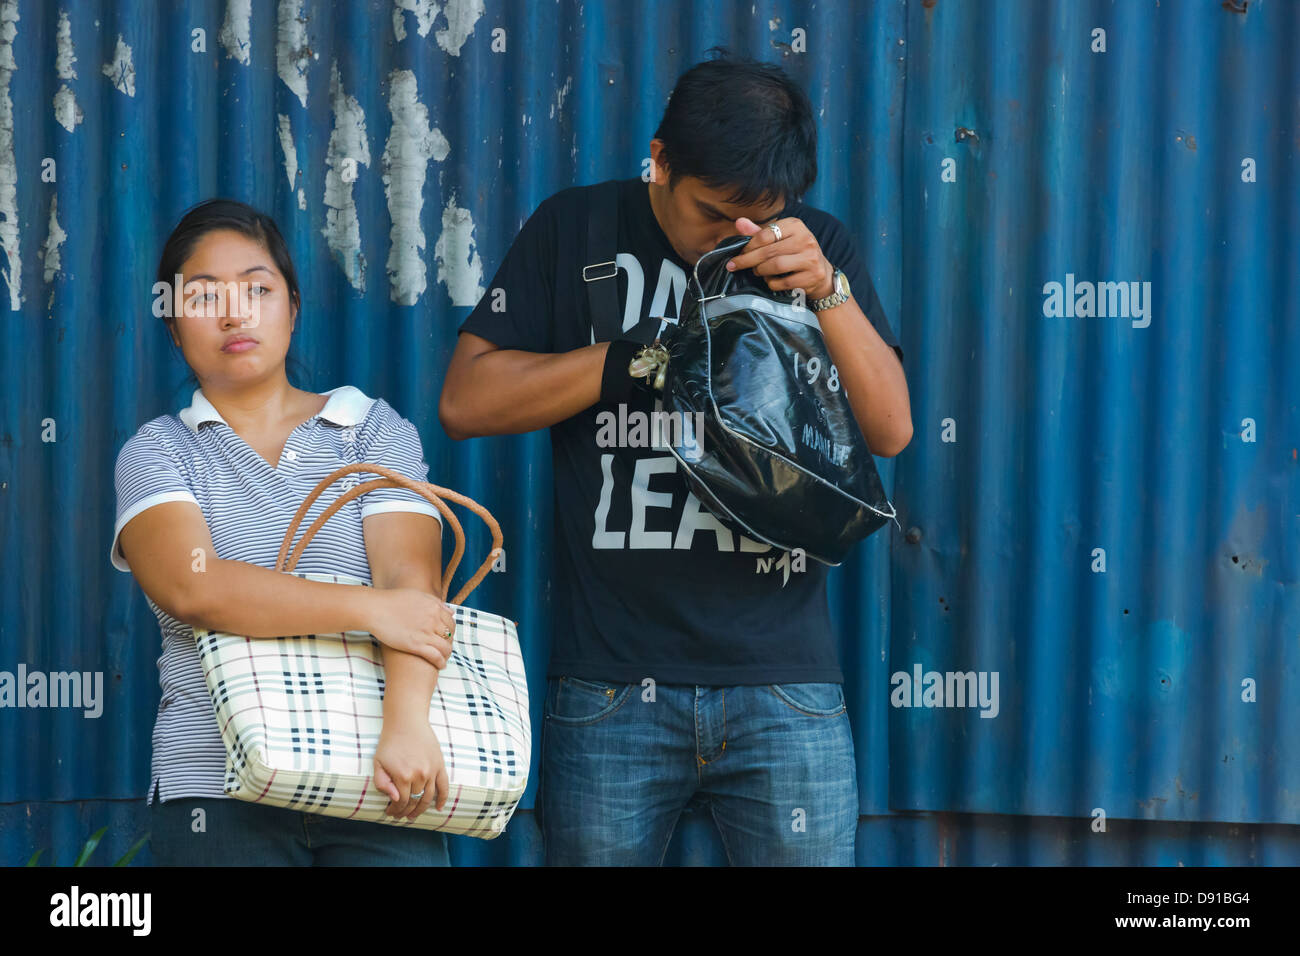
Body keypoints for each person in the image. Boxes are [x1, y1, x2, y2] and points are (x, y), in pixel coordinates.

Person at [439, 49, 913, 866]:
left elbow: (892, 430)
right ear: (658, 161)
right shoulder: (573, 228)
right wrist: (628, 363)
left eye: (760, 215)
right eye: (714, 210)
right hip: (611, 683)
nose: (738, 235)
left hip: (784, 681)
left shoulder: (814, 245)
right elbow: (466, 401)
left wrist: (828, 290)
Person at [112, 199, 456, 865]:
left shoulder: (372, 430)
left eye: (257, 289)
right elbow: (195, 586)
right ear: (174, 328)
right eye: (204, 295)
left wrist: (409, 726)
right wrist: (370, 610)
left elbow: (412, 589)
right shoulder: (157, 452)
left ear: (292, 309)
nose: (235, 312)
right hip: (213, 790)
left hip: (379, 774)